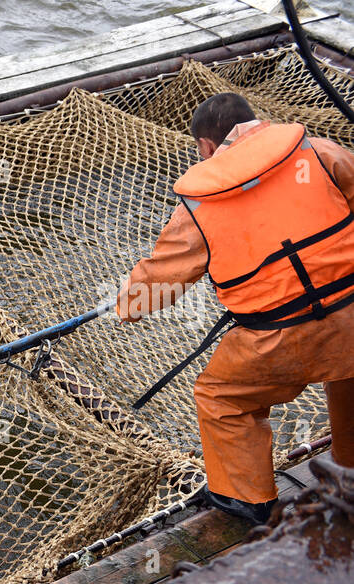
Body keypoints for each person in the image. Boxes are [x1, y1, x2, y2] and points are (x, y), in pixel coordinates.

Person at [116, 92, 354, 524]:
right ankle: (350, 470)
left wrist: (123, 306)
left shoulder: (199, 204)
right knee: (349, 369)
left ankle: (248, 500)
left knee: (221, 397)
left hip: (277, 336)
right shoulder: (318, 152)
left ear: (207, 147)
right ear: (254, 123)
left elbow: (151, 289)